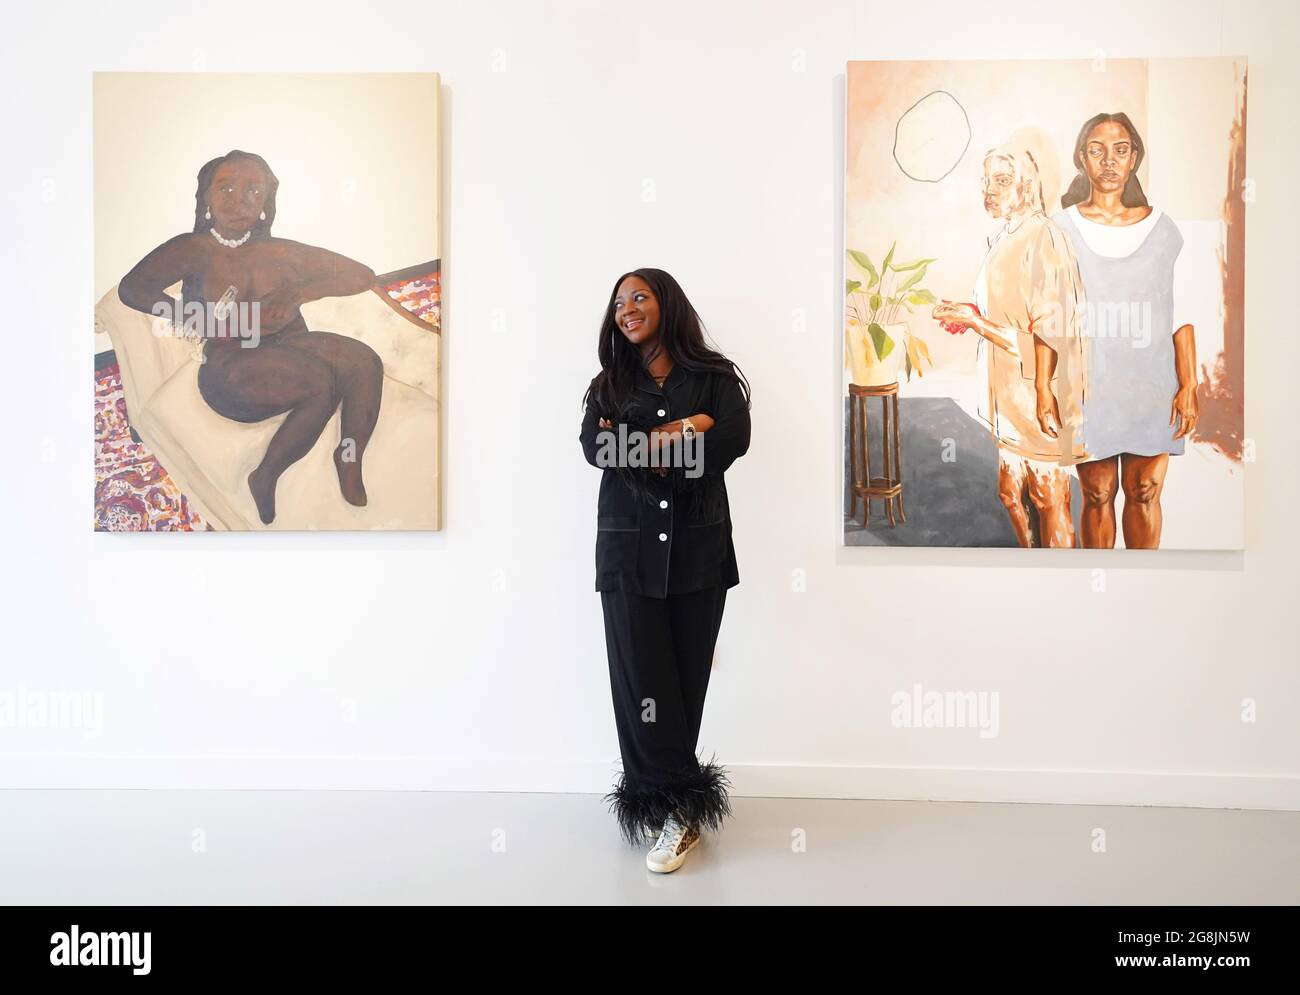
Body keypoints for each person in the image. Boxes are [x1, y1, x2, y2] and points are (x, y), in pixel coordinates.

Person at [579, 268, 751, 873]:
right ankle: (676, 808)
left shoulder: (714, 378)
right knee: (639, 681)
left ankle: (670, 799)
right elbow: (597, 451)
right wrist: (685, 429)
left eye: (639, 298)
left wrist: (653, 438)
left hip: (698, 554)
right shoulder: (608, 383)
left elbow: (731, 439)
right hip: (628, 554)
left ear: (666, 304)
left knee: (682, 681)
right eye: (619, 302)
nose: (627, 309)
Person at [118, 149, 384, 525]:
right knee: (318, 382)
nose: (238, 200)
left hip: (289, 346)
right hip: (232, 364)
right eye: (225, 189)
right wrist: (191, 317)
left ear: (265, 204)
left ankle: (349, 454)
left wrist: (299, 293)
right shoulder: (194, 248)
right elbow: (133, 288)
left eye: (252, 191)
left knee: (362, 360)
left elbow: (362, 274)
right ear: (206, 199)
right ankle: (265, 475)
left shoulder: (279, 251)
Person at [932, 132, 1089, 547]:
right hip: (1009, 397)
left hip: (1042, 395)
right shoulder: (1004, 238)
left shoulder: (1044, 236)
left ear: (1027, 185)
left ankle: (1060, 584)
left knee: (1047, 495)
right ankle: (1033, 574)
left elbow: (1051, 329)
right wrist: (969, 317)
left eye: (1001, 180)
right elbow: (1010, 316)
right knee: (1010, 494)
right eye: (986, 181)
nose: (989, 190)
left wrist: (977, 324)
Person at [1052, 113, 1199, 549]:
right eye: (1097, 150)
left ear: (1134, 158)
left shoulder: (1164, 229)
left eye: (1120, 150)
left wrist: (1188, 383)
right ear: (1082, 158)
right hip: (1087, 387)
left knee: (1144, 491)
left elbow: (1182, 314)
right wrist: (1046, 386)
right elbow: (1047, 315)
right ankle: (1099, 584)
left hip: (1151, 386)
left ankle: (1143, 582)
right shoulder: (1060, 229)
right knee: (1096, 494)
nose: (1109, 161)